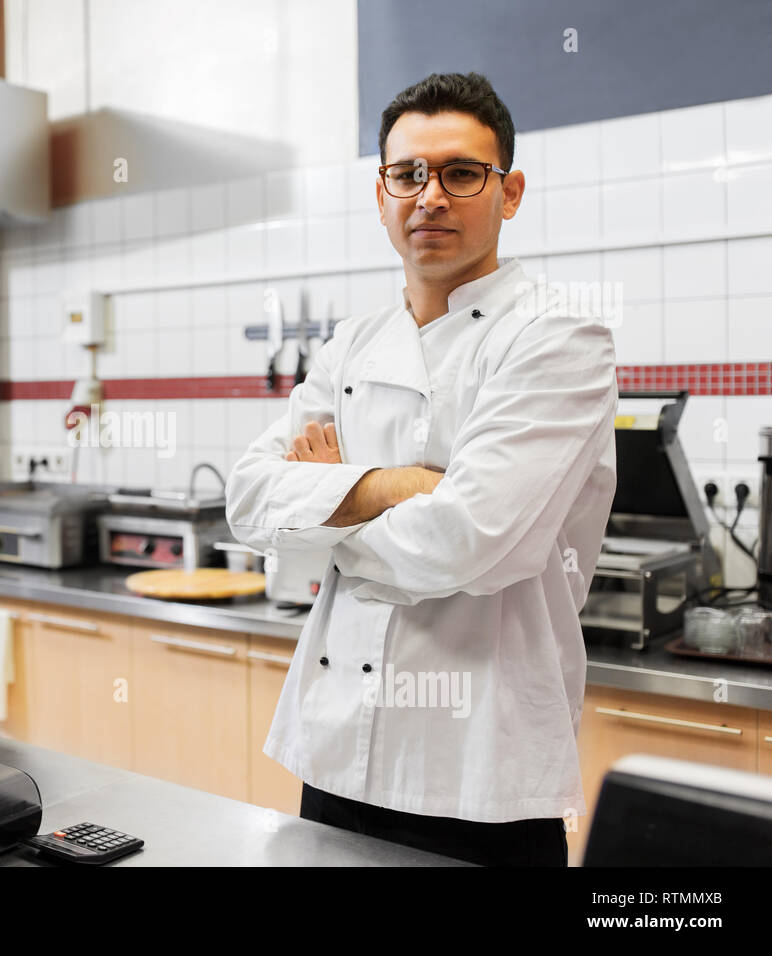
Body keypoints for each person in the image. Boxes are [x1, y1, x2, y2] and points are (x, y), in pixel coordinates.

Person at [225, 72, 617, 867]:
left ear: (509, 193)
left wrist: (324, 513)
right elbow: (249, 501)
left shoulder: (559, 337)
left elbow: (466, 540)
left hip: (479, 767)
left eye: (461, 173)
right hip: (332, 753)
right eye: (408, 174)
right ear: (381, 195)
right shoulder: (352, 342)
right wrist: (400, 485)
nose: (429, 196)